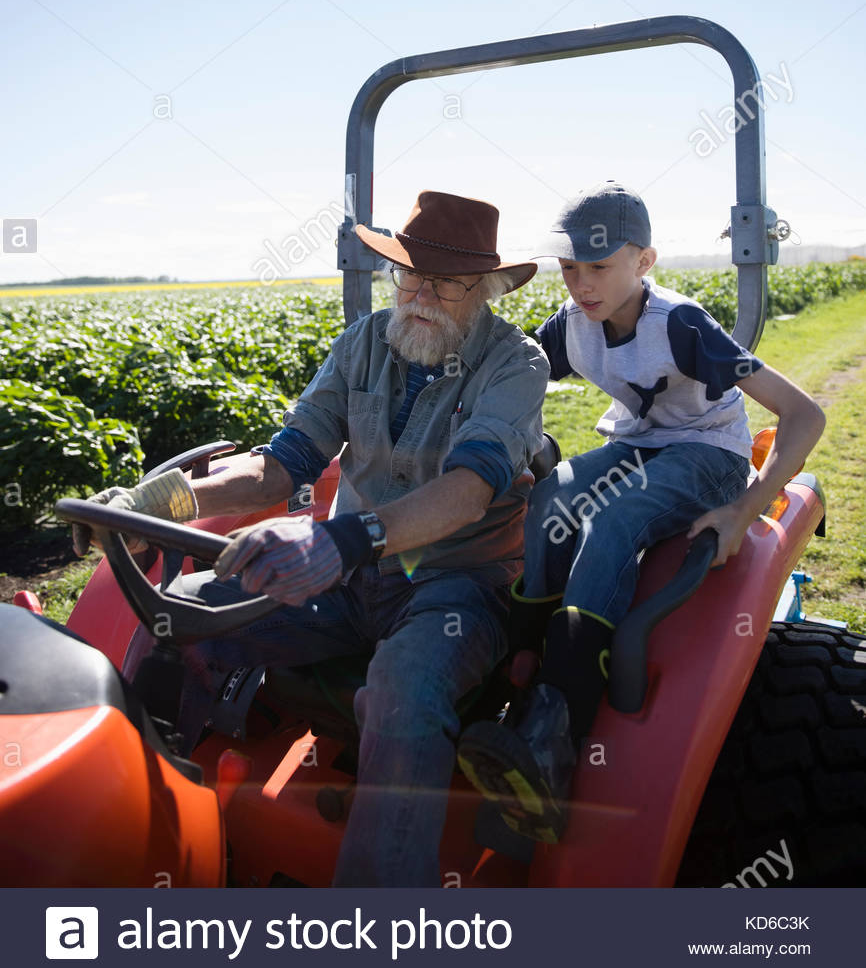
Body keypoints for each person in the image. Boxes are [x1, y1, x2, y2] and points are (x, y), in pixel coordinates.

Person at [82, 190, 550, 887]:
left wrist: (347, 541)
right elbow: (283, 463)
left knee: (403, 688)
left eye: (445, 284)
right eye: (409, 275)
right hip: (345, 574)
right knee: (177, 616)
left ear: (483, 291)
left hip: (453, 585)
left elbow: (468, 491)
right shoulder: (363, 342)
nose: (419, 295)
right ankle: (145, 838)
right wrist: (165, 500)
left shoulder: (517, 364)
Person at [458, 180, 826, 844]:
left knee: (615, 520)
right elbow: (504, 373)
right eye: (571, 267)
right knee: (553, 498)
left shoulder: (680, 326)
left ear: (645, 261)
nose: (581, 283)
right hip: (638, 442)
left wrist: (745, 510)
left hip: (707, 453)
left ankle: (556, 731)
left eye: (599, 266)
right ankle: (523, 665)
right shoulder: (573, 326)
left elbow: (806, 414)